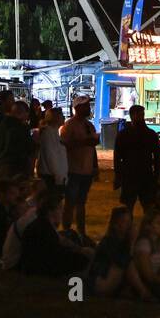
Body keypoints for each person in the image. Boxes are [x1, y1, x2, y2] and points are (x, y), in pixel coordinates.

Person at [19, 193, 92, 277]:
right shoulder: (44, 228)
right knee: (85, 259)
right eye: (60, 208)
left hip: (38, 265)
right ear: (50, 212)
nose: (62, 211)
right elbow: (55, 254)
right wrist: (79, 253)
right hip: (39, 268)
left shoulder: (42, 224)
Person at [60, 97, 100, 238]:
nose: (89, 108)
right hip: (73, 170)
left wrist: (95, 166)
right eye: (86, 106)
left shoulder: (89, 125)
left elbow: (92, 148)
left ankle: (81, 231)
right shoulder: (69, 125)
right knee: (70, 202)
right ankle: (66, 230)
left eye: (88, 105)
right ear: (77, 108)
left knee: (81, 202)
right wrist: (84, 141)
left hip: (86, 170)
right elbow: (65, 146)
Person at [114, 105, 160, 212]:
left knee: (145, 206)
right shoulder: (126, 134)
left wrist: (156, 174)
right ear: (132, 116)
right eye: (139, 115)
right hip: (133, 175)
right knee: (130, 207)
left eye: (142, 115)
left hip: (142, 175)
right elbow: (117, 157)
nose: (141, 117)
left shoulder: (126, 134)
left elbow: (157, 157)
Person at [0, 100, 33, 183]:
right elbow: (28, 150)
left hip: (0, 168)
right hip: (17, 170)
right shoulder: (22, 128)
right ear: (23, 113)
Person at [36, 105, 68, 188]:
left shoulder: (53, 132)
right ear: (56, 118)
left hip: (53, 175)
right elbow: (51, 156)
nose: (64, 117)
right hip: (51, 176)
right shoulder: (48, 133)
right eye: (62, 115)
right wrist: (59, 176)